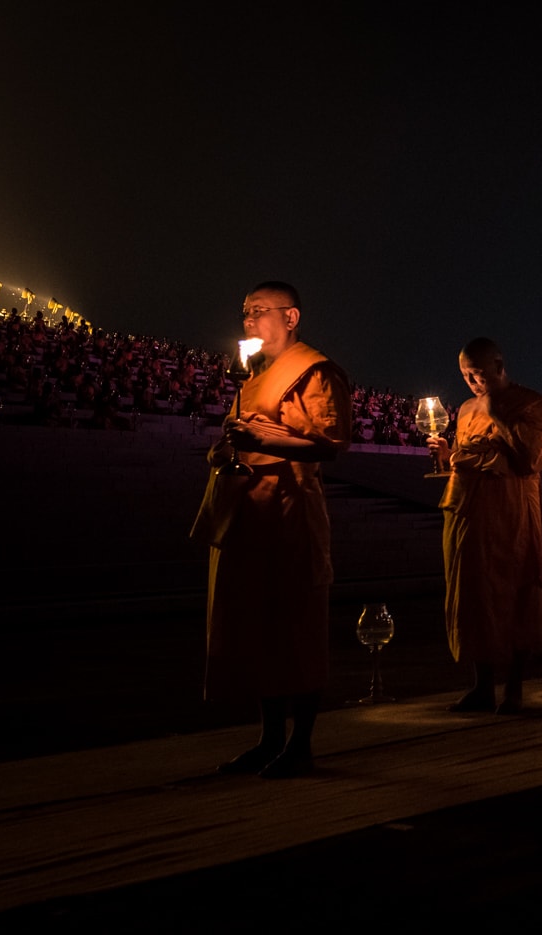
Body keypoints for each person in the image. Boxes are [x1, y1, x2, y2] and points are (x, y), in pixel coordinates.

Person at [193, 281, 352, 779]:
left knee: (297, 629)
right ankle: (268, 739)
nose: (249, 320)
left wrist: (265, 436)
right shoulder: (256, 374)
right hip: (251, 512)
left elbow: (332, 442)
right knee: (260, 630)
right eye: (245, 312)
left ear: (291, 317)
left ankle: (300, 744)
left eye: (260, 310)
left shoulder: (315, 370)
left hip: (290, 511)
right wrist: (231, 444)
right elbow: (249, 433)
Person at [431, 338, 542, 715]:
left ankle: (514, 689)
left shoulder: (535, 405)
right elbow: (466, 456)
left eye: (478, 373)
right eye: (466, 375)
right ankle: (481, 685)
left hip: (512, 513)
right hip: (469, 511)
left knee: (516, 591)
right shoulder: (466, 409)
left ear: (499, 366)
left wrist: (496, 413)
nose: (471, 381)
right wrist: (446, 455)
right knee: (474, 595)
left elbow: (527, 460)